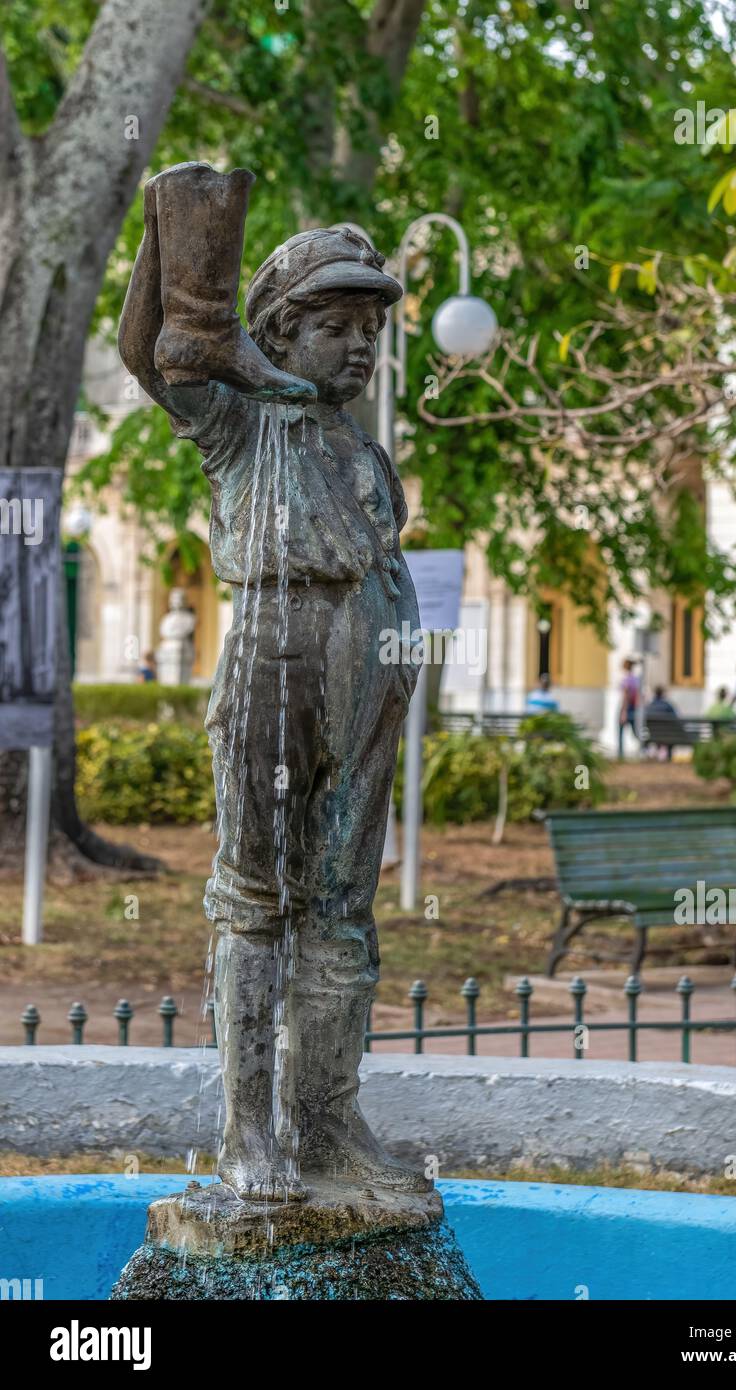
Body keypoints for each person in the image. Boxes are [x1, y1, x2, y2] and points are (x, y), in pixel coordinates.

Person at [119, 163, 426, 1203]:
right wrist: (177, 227)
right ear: (278, 333)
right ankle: (248, 1132)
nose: (358, 346)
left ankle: (327, 1122)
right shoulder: (242, 420)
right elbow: (160, 351)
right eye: (334, 324)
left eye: (370, 331)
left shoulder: (363, 451)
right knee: (254, 898)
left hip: (370, 671)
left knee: (341, 904)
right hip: (276, 655)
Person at [618, 658, 640, 758]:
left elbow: (626, 696)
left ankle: (620, 753)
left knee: (621, 731)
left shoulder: (627, 679)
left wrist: (623, 711)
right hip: (634, 708)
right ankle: (643, 749)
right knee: (636, 731)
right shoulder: (636, 679)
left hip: (627, 707)